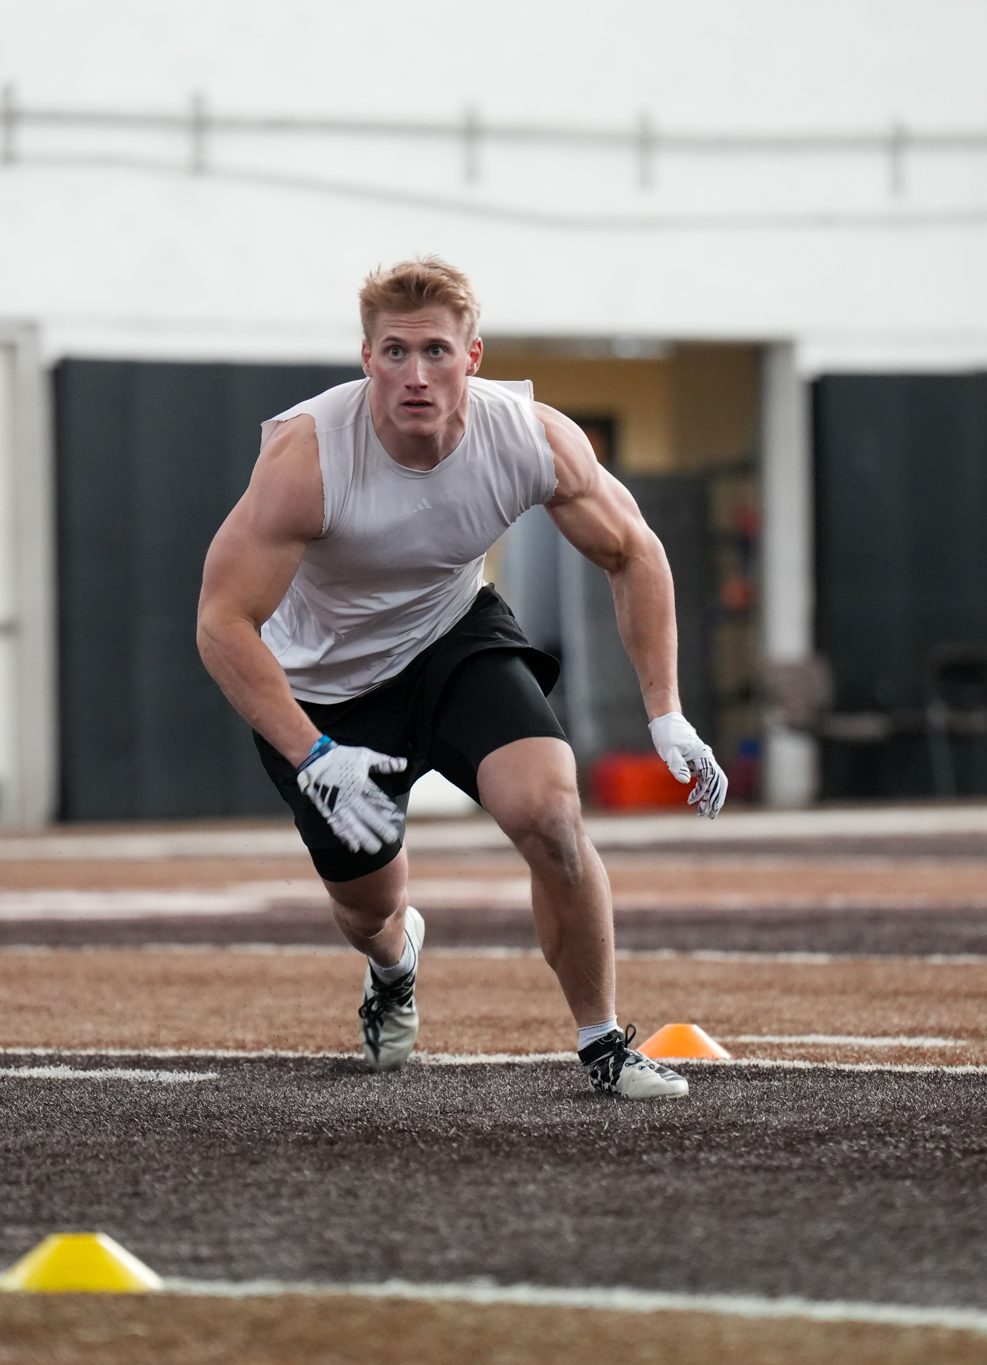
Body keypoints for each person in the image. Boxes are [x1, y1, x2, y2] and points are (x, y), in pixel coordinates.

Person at [196, 257, 727, 1100]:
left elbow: (635, 551)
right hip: (324, 690)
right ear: (365, 357)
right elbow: (222, 622)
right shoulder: (309, 457)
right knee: (371, 906)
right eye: (396, 352)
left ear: (472, 358)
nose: (416, 374)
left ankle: (603, 1045)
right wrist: (312, 752)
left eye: (436, 351)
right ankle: (395, 963)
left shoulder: (527, 436)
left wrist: (666, 713)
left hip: (451, 639)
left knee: (551, 815)